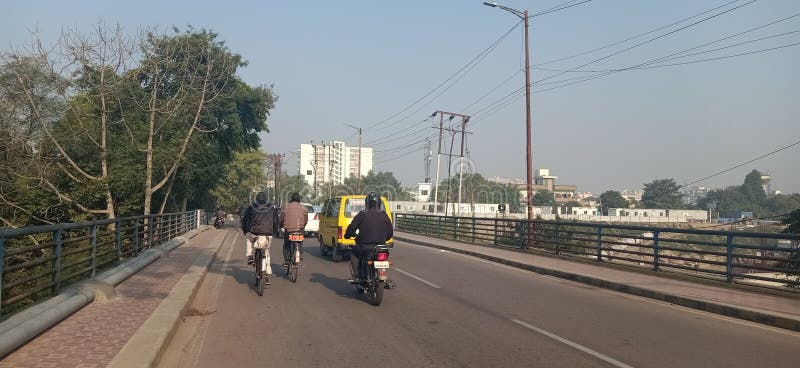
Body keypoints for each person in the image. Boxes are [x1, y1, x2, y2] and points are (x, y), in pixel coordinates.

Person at [344, 192, 393, 282]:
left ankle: (357, 275)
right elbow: (390, 233)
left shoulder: (362, 214)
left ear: (367, 203)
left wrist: (347, 235)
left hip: (364, 247)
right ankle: (381, 273)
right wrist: (383, 239)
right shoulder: (384, 215)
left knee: (353, 253)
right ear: (379, 203)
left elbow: (352, 228)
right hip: (381, 247)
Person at [241, 192, 278, 285]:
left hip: (255, 233)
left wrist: (245, 230)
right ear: (265, 199)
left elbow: (246, 220)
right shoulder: (271, 208)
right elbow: (275, 221)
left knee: (249, 239)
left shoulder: (251, 207)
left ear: (257, 199)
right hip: (268, 234)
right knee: (266, 251)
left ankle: (250, 256)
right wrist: (274, 231)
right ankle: (267, 272)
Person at [280, 192, 308, 267]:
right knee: (300, 244)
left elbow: (281, 219)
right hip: (299, 230)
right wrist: (302, 227)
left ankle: (287, 260)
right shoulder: (304, 208)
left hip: (288, 230)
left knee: (286, 245)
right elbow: (305, 220)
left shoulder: (285, 207)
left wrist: (281, 226)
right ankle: (300, 255)